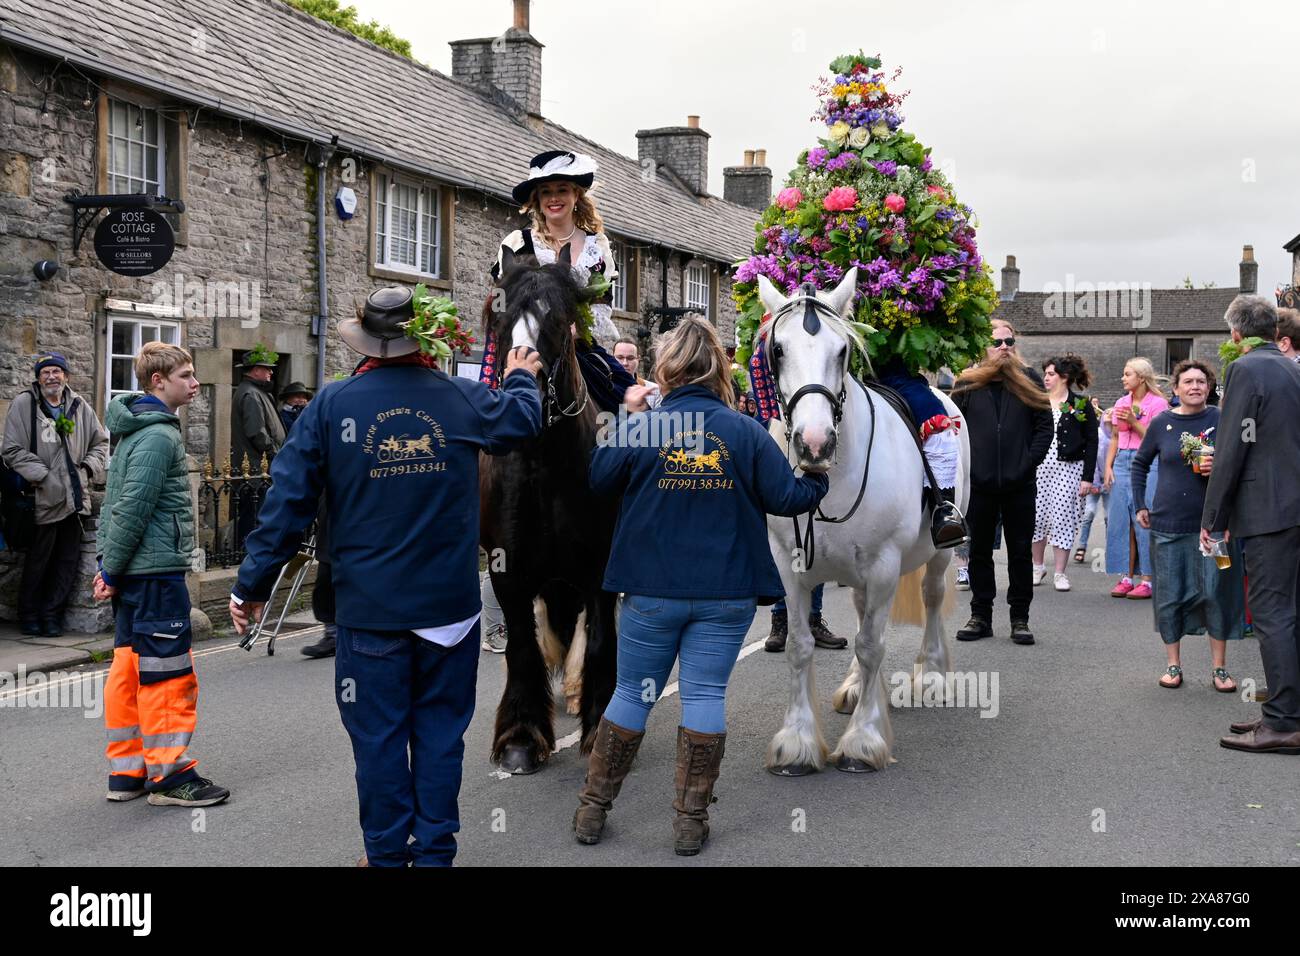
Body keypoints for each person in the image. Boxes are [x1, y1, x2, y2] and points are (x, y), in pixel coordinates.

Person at [229, 287, 544, 865]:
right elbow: (523, 421)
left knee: (377, 742)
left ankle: (384, 854)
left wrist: (250, 585)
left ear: (367, 341)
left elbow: (286, 504)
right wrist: (521, 374)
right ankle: (433, 853)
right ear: (424, 336)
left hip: (368, 609)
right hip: (447, 609)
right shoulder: (460, 397)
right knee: (440, 737)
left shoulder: (331, 405)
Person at [573, 318, 828, 854]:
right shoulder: (745, 431)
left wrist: (629, 417)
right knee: (705, 695)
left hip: (650, 590)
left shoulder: (644, 427)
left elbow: (598, 479)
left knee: (630, 694)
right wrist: (817, 475)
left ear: (665, 369)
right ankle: (690, 820)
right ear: (718, 368)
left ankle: (593, 810)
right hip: (725, 593)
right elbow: (788, 499)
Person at [93, 342, 229, 807]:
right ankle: (170, 777)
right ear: (158, 381)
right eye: (186, 375)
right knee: (167, 674)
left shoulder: (135, 430)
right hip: (155, 573)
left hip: (135, 572)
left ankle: (128, 770)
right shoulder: (159, 436)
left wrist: (107, 566)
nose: (195, 384)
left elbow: (114, 505)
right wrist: (109, 567)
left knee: (129, 669)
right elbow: (132, 507)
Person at [1202, 295, 1300, 755]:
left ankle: (1283, 723)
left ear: (1237, 334)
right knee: (1289, 614)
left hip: (1267, 511)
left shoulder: (1244, 370)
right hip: (1291, 507)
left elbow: (1232, 448)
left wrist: (1213, 518)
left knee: (1271, 614)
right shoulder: (1291, 367)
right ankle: (1285, 711)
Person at [480, 150, 649, 415]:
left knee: (630, 402)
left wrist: (575, 330)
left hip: (579, 347)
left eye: (562, 189)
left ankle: (623, 454)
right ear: (537, 199)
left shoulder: (597, 246)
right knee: (485, 412)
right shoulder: (517, 243)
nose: (554, 198)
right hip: (525, 344)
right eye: (546, 191)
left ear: (576, 196)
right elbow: (499, 299)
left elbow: (602, 303)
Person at [1132, 359, 1243, 690]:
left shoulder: (1222, 420)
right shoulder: (1160, 423)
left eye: (1201, 382)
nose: (1196, 386)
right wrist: (1140, 505)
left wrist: (1218, 470)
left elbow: (1241, 465)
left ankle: (1220, 669)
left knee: (1217, 592)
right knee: (1170, 595)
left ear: (1208, 388)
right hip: (1168, 524)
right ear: (1176, 389)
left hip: (1216, 525)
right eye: (1188, 382)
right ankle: (1173, 665)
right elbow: (1139, 465)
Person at [950, 319, 1052, 645]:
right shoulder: (967, 382)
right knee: (978, 551)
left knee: (1020, 552)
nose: (1005, 347)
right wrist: (968, 468)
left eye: (1010, 341)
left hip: (1019, 483)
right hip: (979, 485)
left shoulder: (1030, 379)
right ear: (985, 347)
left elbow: (1043, 428)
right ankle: (980, 615)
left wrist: (1026, 464)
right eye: (998, 342)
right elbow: (954, 430)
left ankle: (1019, 618)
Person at [1, 352, 108, 636]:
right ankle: (29, 615)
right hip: (41, 498)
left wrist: (86, 469)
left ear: (66, 376)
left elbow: (101, 443)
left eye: (56, 372)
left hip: (75, 499)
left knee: (66, 564)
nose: (52, 377)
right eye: (46, 372)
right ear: (38, 378)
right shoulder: (25, 404)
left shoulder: (79, 405)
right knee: (39, 562)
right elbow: (11, 449)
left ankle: (52, 615)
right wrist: (44, 476)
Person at [1103, 358, 1169, 599]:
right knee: (1121, 520)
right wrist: (1108, 466)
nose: (1123, 378)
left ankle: (1148, 580)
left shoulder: (1159, 404)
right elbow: (1115, 438)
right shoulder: (1122, 402)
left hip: (1148, 462)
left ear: (1141, 378)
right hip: (1122, 461)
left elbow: (1156, 439)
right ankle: (1126, 576)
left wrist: (1133, 421)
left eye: (1127, 374)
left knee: (1144, 517)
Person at [1030, 354, 1098, 592]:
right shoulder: (1036, 401)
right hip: (1037, 469)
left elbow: (1092, 441)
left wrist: (1088, 478)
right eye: (1045, 374)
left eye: (1050, 374)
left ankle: (1060, 572)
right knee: (1035, 518)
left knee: (1062, 519)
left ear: (1064, 377)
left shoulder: (1080, 404)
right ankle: (1037, 567)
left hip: (1069, 470)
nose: (1045, 378)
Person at [1073, 397, 1110, 564]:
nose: (1109, 414)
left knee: (1110, 517)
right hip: (1096, 480)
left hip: (1110, 482)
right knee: (1089, 513)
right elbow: (1093, 458)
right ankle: (1081, 545)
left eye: (1112, 413)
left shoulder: (1118, 435)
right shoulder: (1099, 435)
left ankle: (1112, 548)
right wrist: (1094, 482)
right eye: (1107, 412)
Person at [613, 337, 663, 408]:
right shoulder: (604, 389)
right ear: (612, 358)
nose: (625, 363)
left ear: (638, 359)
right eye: (620, 358)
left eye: (630, 358)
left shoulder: (654, 391)